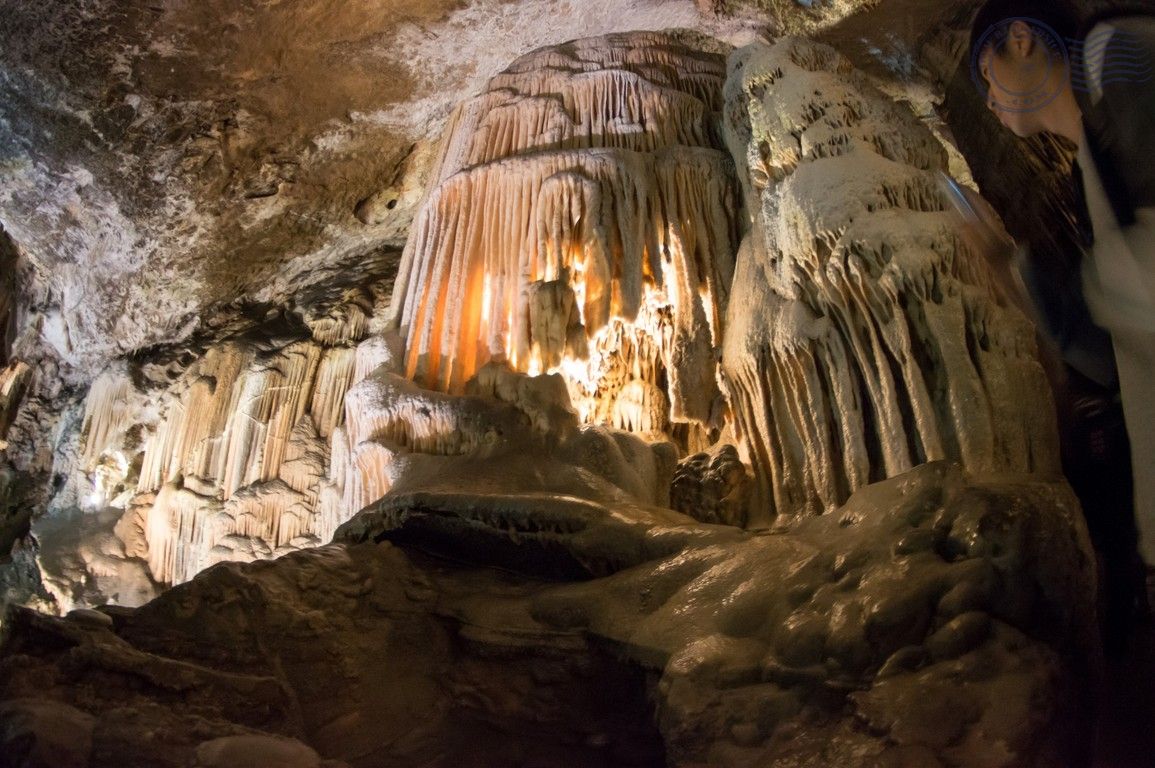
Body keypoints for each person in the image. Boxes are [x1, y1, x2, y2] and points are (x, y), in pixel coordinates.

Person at [969, 0, 1155, 643]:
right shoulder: (1089, 171)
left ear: (1021, 40)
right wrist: (1009, 269)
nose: (988, 101)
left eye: (984, 76)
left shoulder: (1121, 53)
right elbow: (1111, 358)